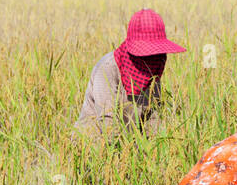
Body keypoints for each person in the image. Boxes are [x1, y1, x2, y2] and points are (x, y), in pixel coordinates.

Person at [74, 9, 185, 139]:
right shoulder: (107, 69)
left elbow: (153, 120)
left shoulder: (153, 72)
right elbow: (108, 121)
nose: (153, 59)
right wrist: (120, 155)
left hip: (130, 143)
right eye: (148, 54)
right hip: (94, 142)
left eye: (156, 54)